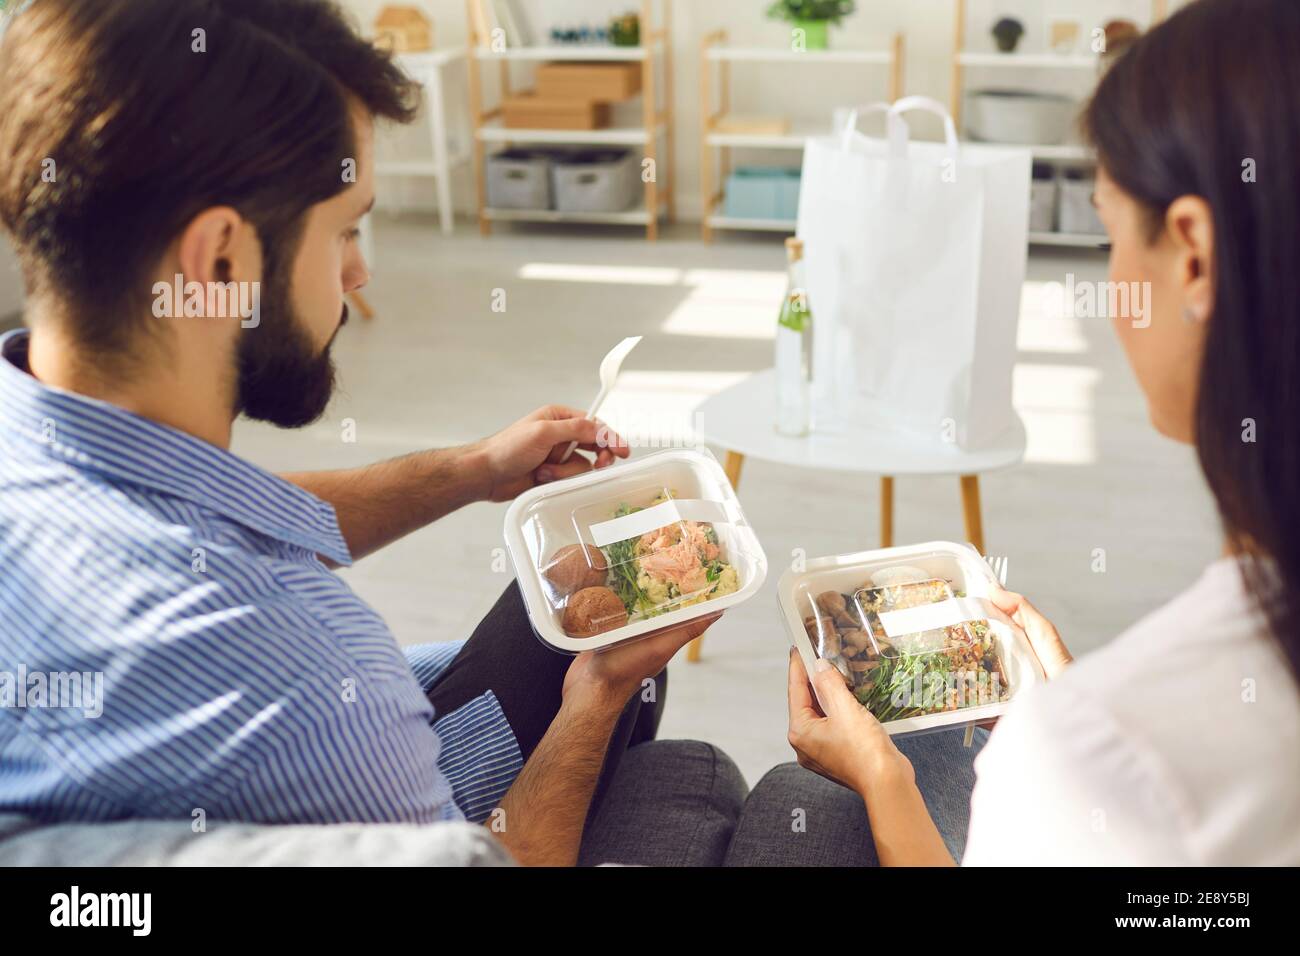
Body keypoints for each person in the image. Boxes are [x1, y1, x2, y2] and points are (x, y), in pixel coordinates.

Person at [0, 0, 717, 867]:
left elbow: (209, 522)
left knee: (587, 589)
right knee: (678, 729)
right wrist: (598, 694)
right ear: (220, 260)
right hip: (437, 821)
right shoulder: (301, 667)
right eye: (344, 228)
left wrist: (473, 470)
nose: (358, 271)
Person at [583, 0, 1300, 867]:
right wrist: (1074, 711)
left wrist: (885, 778)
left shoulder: (1102, 756)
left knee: (797, 790)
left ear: (1192, 257)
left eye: (1109, 228)